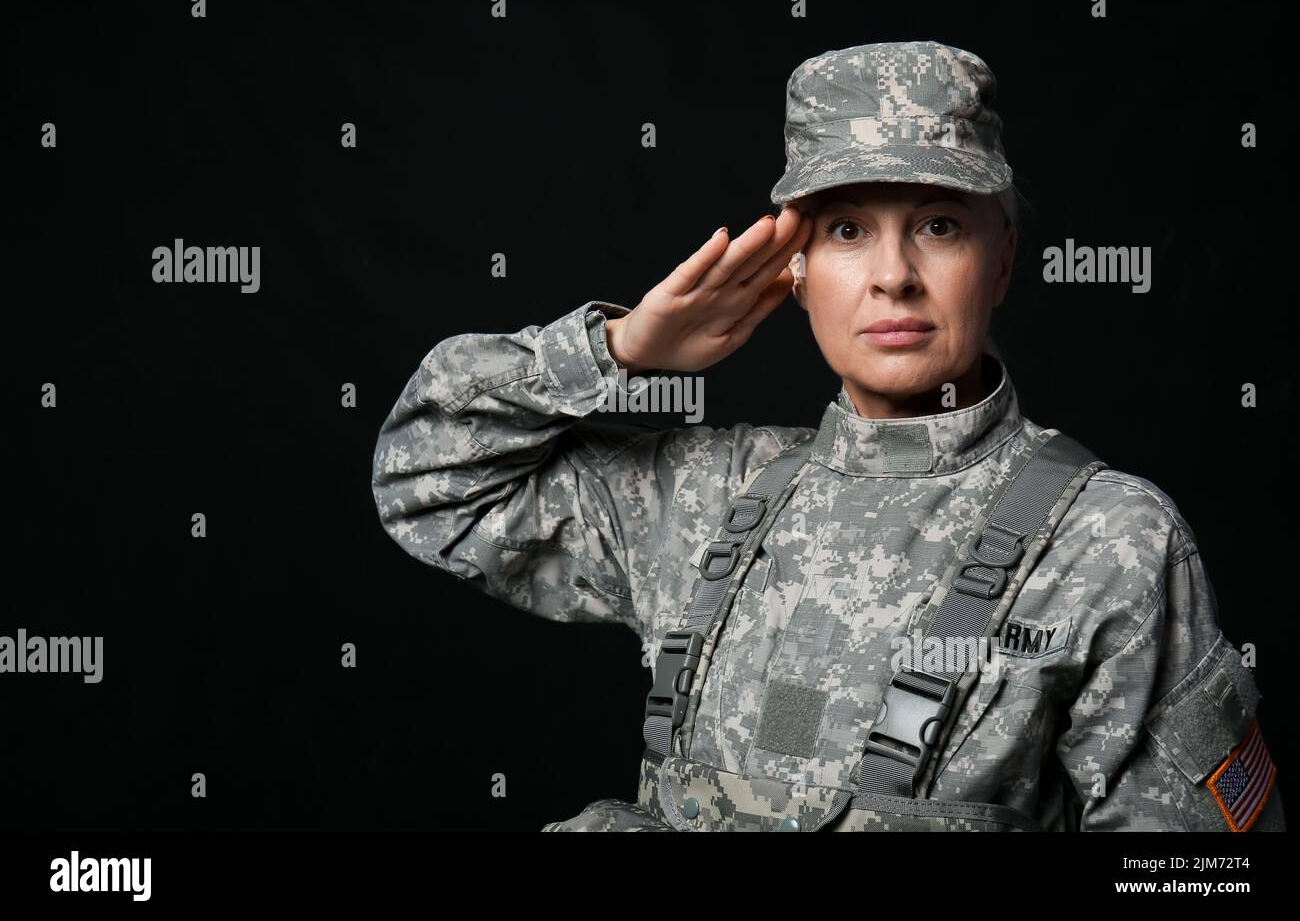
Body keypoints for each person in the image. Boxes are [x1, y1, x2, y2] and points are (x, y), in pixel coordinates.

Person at [370, 40, 1283, 831]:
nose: (893, 275)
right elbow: (430, 481)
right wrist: (620, 350)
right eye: (848, 228)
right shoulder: (706, 491)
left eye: (937, 225)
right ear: (795, 268)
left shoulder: (1111, 543)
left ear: (1000, 259)